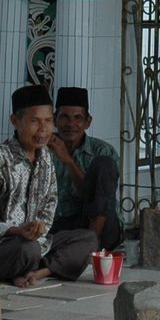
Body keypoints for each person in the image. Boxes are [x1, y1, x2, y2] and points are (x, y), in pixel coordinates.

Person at [0, 85, 97, 288]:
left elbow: (49, 206)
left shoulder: (46, 158)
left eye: (48, 121)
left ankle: (37, 272)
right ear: (15, 121)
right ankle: (27, 267)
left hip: (34, 244)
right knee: (26, 250)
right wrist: (16, 230)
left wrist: (38, 228)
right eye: (34, 121)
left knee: (88, 239)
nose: (43, 129)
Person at [46, 86, 123, 250]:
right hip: (61, 225)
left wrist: (68, 161)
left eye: (78, 118)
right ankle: (81, 248)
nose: (71, 124)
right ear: (55, 119)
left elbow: (93, 195)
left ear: (88, 122)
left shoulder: (103, 151)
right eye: (64, 117)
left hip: (102, 228)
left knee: (104, 163)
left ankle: (90, 245)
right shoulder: (44, 149)